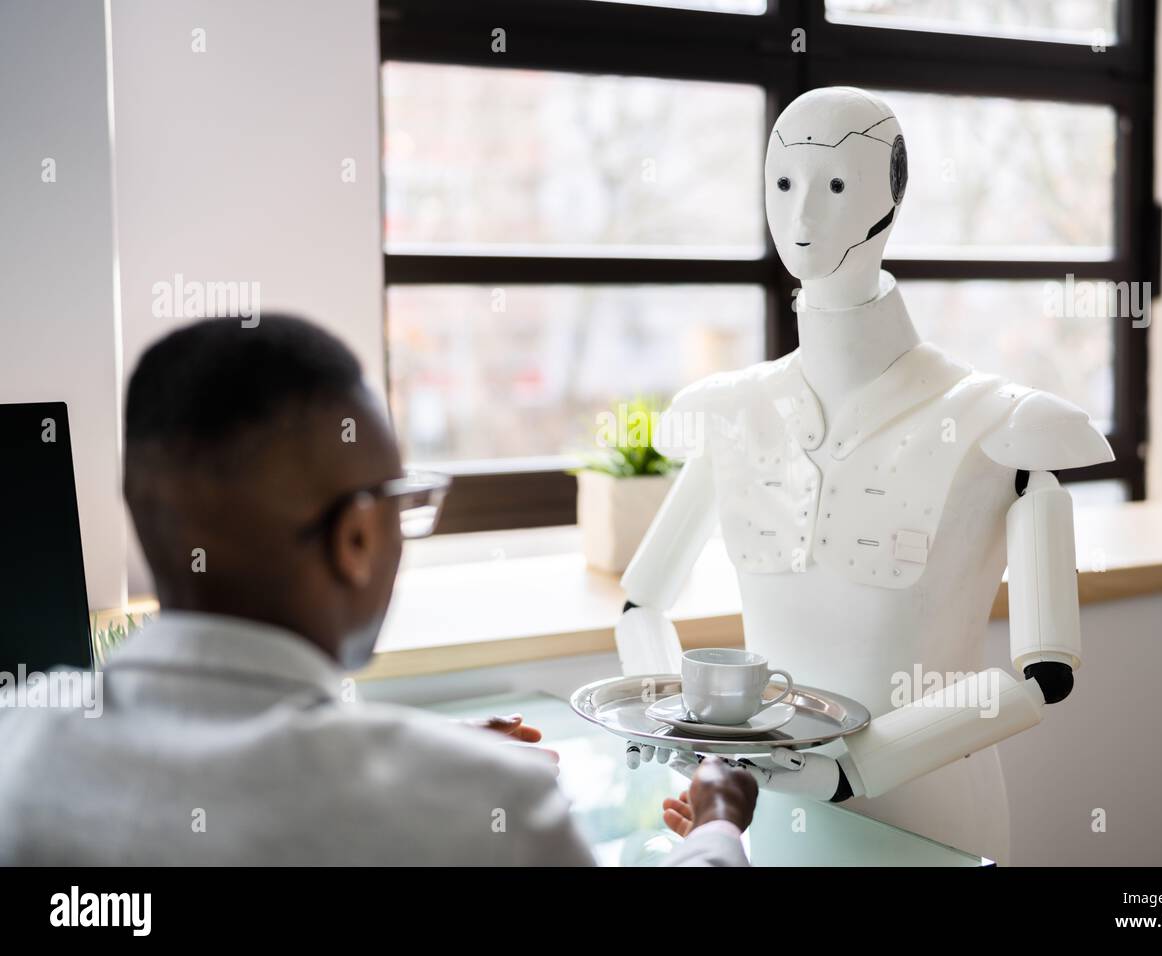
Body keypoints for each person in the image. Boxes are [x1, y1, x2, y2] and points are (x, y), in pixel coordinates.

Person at [0, 314, 756, 865]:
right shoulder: (487, 811)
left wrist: (408, 751)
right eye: (401, 505)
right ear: (356, 538)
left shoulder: (16, 739)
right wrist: (719, 829)